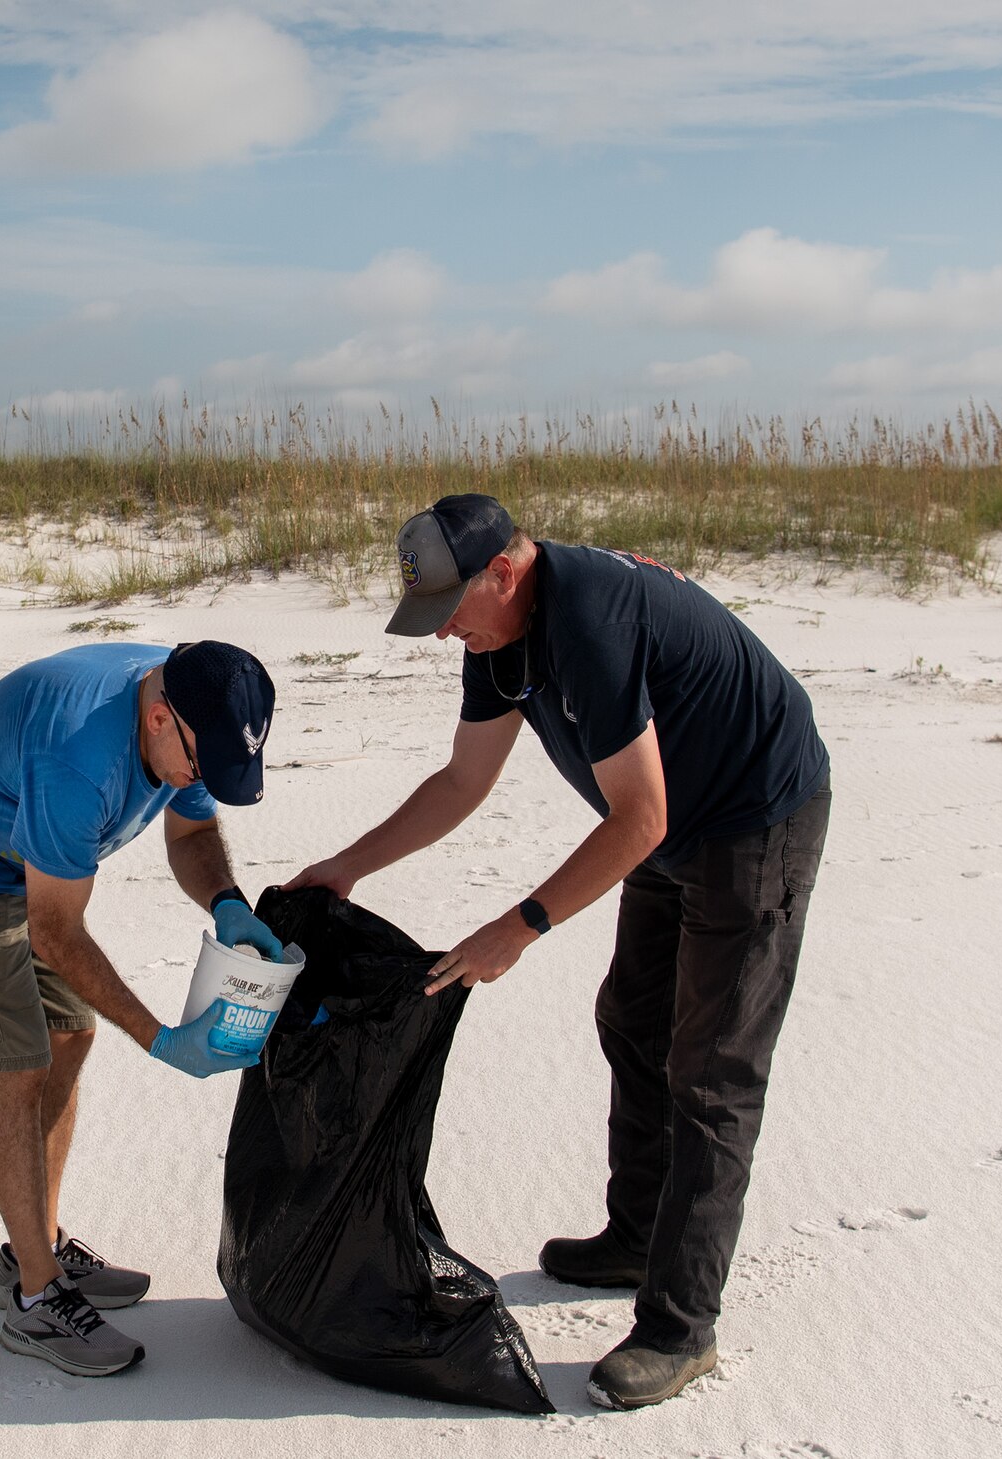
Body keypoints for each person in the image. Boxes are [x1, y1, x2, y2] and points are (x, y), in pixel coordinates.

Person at [288, 494, 830, 1410]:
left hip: (751, 816)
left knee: (713, 1070)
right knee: (631, 1016)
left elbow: (641, 817)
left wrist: (521, 925)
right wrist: (346, 866)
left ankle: (678, 1328)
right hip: (663, 823)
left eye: (450, 610)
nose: (441, 634)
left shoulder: (587, 621)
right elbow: (464, 780)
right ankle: (635, 1232)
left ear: (505, 568)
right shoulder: (495, 640)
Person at [0, 639, 281, 1378]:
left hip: (22, 860)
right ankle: (36, 1300)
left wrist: (227, 902)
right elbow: (56, 932)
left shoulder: (197, 698)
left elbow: (190, 830)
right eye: (201, 765)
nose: (201, 780)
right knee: (18, 1065)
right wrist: (163, 1039)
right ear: (159, 719)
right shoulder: (78, 760)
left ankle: (36, 1248)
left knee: (70, 1035)